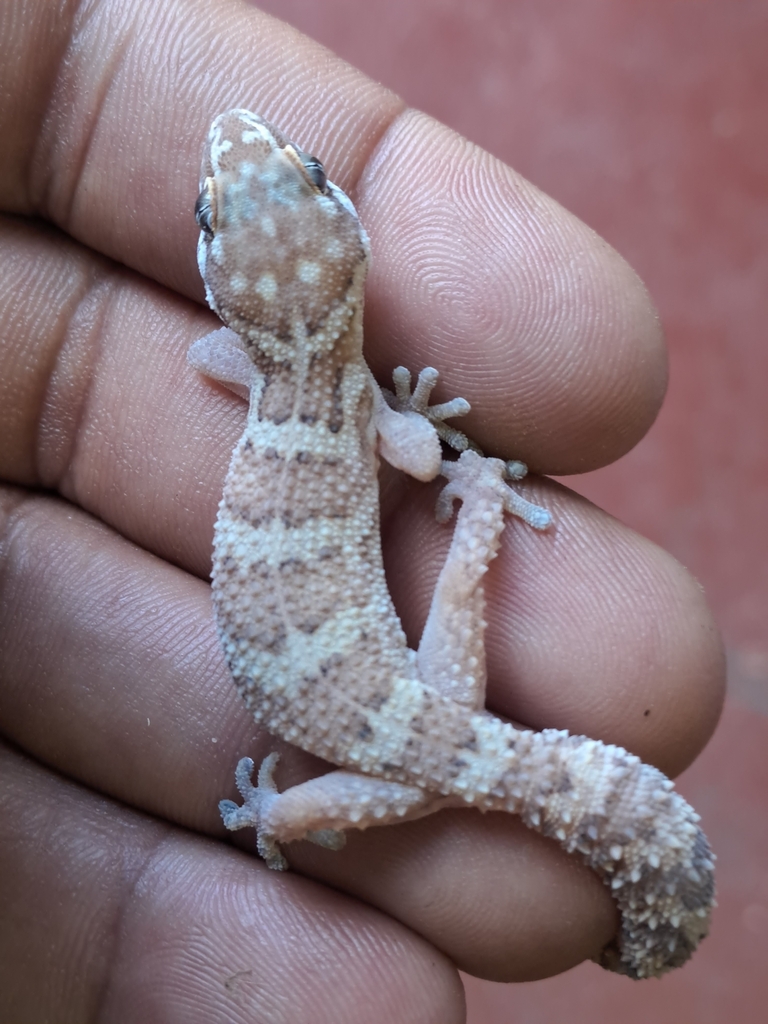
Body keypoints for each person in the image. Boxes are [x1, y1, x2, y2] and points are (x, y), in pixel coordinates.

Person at [0, 0, 724, 1019]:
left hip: (395, 741)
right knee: (458, 542)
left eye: (286, 176)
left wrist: (272, 816)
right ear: (345, 227)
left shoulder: (255, 364)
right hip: (411, 722)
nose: (243, 149)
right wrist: (465, 478)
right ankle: (476, 529)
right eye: (225, 211)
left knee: (298, 808)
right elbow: (421, 451)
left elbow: (220, 357)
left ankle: (275, 811)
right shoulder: (359, 405)